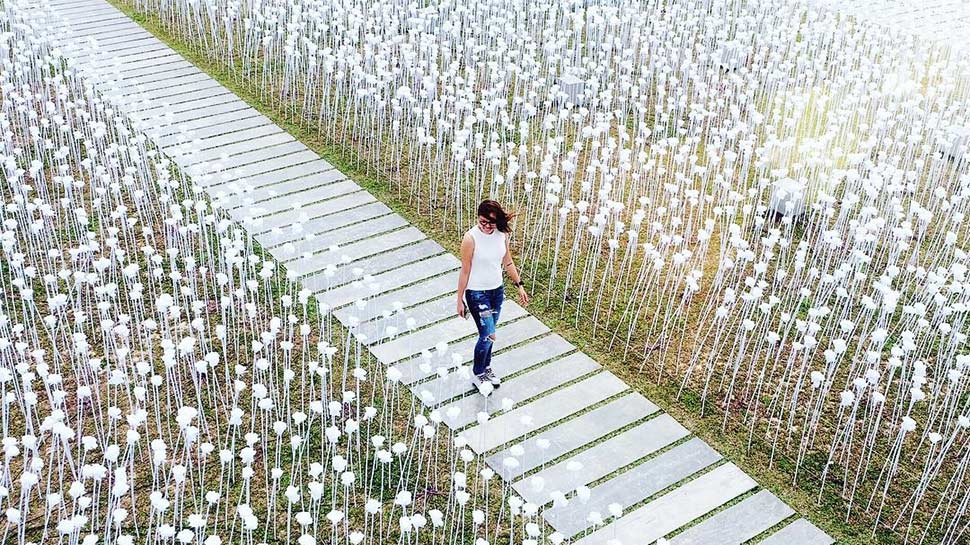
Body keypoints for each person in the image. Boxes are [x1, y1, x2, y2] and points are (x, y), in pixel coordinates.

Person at [457, 200, 530, 390]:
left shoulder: (501, 234)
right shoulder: (470, 239)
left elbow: (508, 262)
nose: (487, 226)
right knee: (488, 334)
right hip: (476, 292)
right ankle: (478, 373)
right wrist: (459, 299)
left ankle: (486, 367)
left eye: (491, 222)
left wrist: (519, 285)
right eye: (483, 222)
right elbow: (465, 270)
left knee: (489, 334)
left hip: (496, 291)